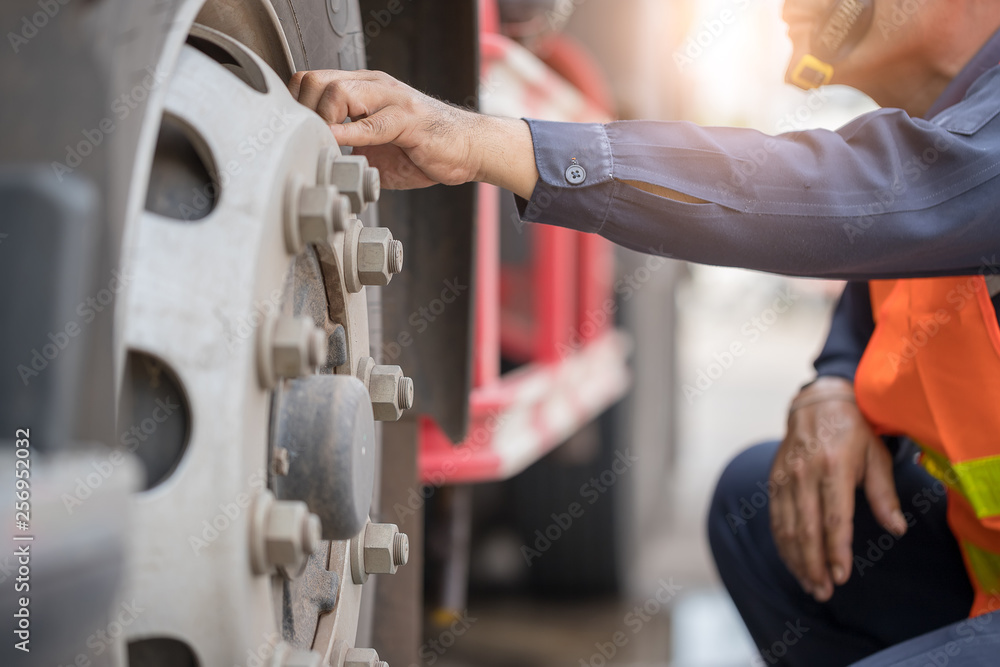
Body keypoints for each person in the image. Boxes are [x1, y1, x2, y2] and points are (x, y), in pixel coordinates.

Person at [288, 0, 1000, 664]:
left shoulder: (949, 162)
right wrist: (835, 382)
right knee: (755, 502)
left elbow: (878, 193)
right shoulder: (942, 148)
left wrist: (484, 141)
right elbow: (882, 255)